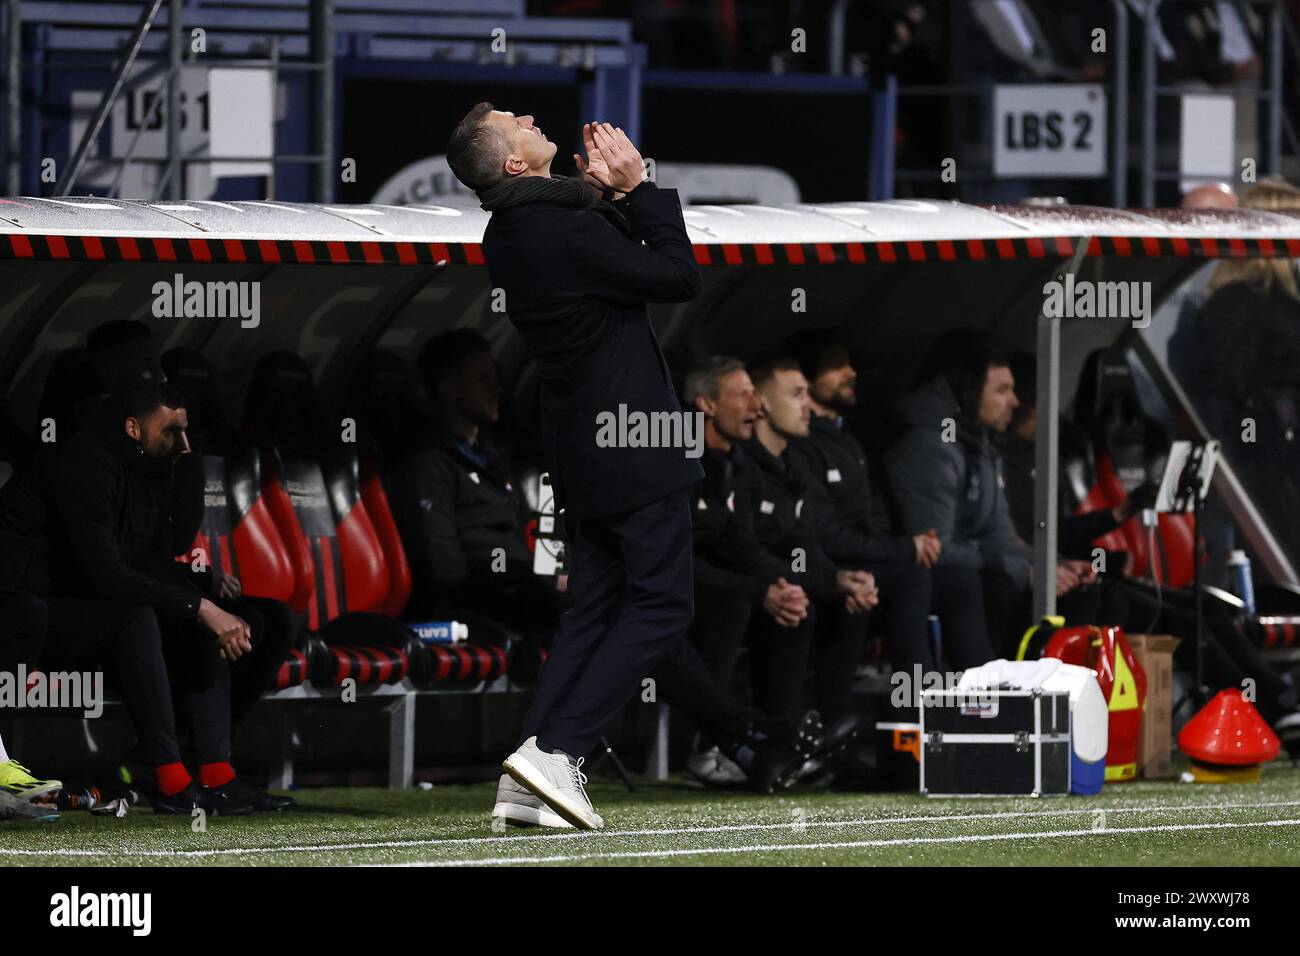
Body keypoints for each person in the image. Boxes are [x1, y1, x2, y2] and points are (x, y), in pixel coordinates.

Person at [448, 104, 711, 829]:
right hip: (634, 437)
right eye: (514, 120)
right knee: (663, 604)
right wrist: (639, 190)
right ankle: (559, 752)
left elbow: (615, 272)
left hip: (583, 443)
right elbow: (677, 275)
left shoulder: (516, 227)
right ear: (513, 163)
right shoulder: (560, 224)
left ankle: (527, 777)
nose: (530, 115)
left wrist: (610, 198)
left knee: (594, 609)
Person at [783, 332, 995, 678]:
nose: (852, 373)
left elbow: (876, 514)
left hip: (869, 559)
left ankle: (990, 699)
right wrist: (903, 549)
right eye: (836, 366)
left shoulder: (850, 439)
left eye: (850, 363)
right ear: (805, 380)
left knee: (959, 579)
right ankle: (918, 707)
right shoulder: (801, 446)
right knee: (910, 577)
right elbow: (823, 533)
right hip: (831, 566)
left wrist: (902, 545)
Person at [741, 356, 879, 724]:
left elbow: (807, 545)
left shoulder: (794, 467)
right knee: (797, 607)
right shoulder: (742, 466)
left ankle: (829, 730)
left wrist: (841, 579)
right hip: (747, 586)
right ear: (764, 403)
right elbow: (744, 552)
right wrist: (821, 581)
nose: (807, 405)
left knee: (848, 601)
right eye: (797, 394)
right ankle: (776, 736)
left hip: (788, 581)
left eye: (807, 393)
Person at [888, 330, 1039, 654]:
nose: (1015, 401)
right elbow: (934, 547)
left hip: (965, 566)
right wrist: (1018, 570)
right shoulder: (929, 444)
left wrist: (1055, 565)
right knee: (982, 583)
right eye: (1002, 390)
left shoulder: (977, 443)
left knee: (1073, 588)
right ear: (970, 391)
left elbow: (1001, 536)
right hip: (928, 574)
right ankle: (989, 697)